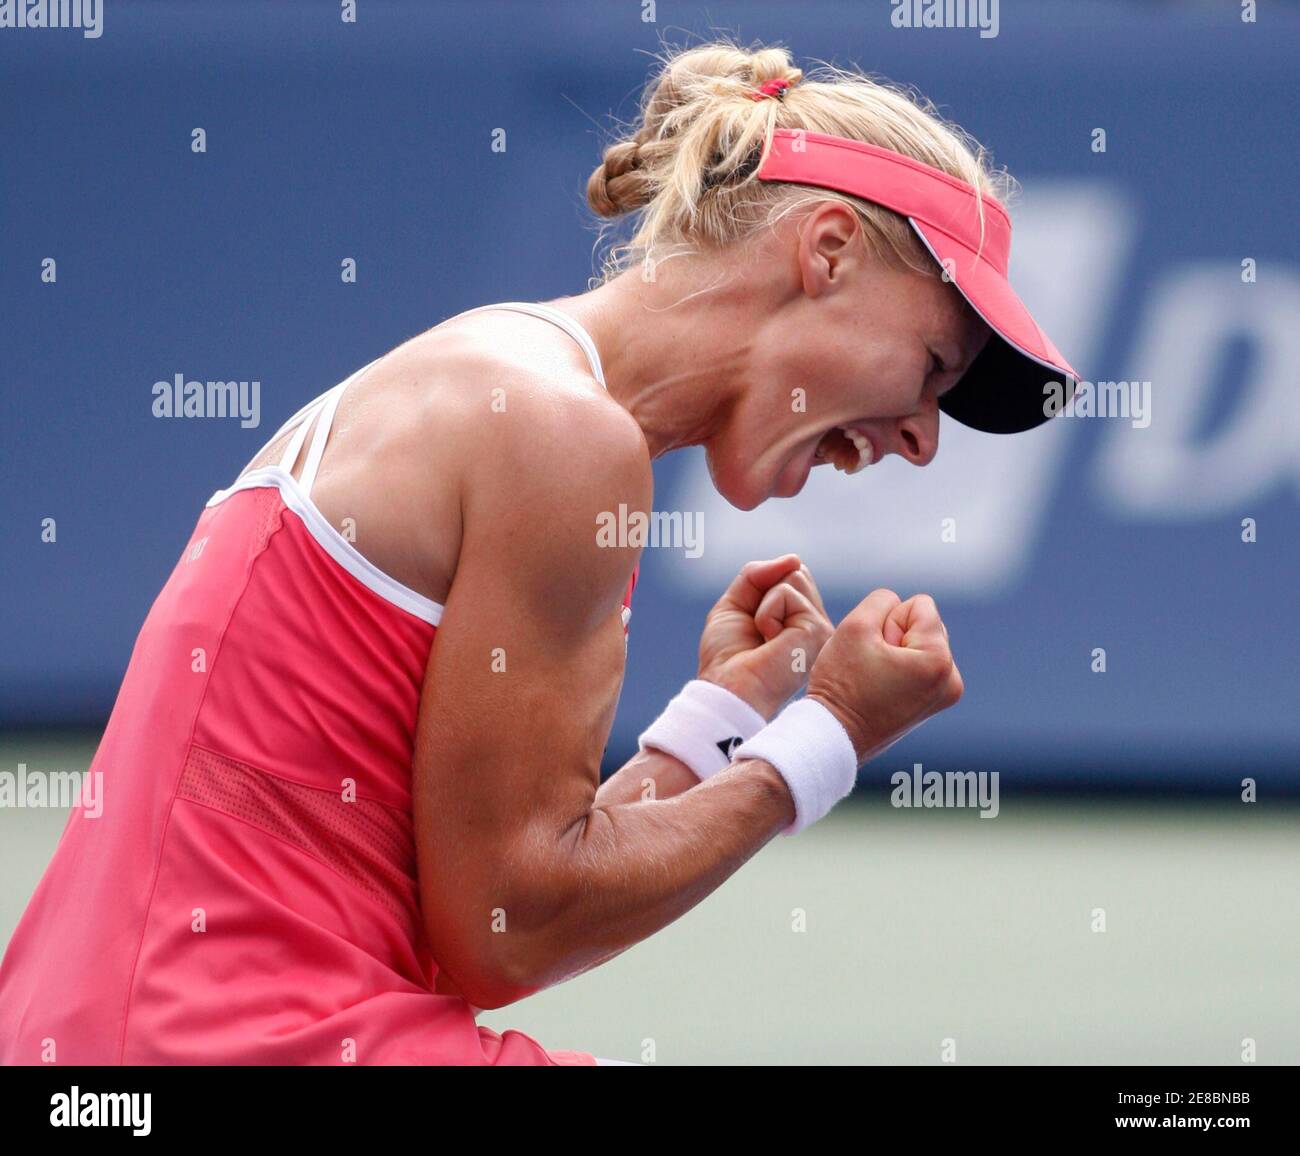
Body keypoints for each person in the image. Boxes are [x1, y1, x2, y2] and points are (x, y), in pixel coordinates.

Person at [0, 40, 1075, 1065]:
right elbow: (510, 931)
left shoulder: (505, 374)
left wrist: (714, 728)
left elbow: (476, 882)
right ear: (826, 249)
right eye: (931, 365)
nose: (924, 439)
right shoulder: (562, 439)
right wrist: (828, 733)